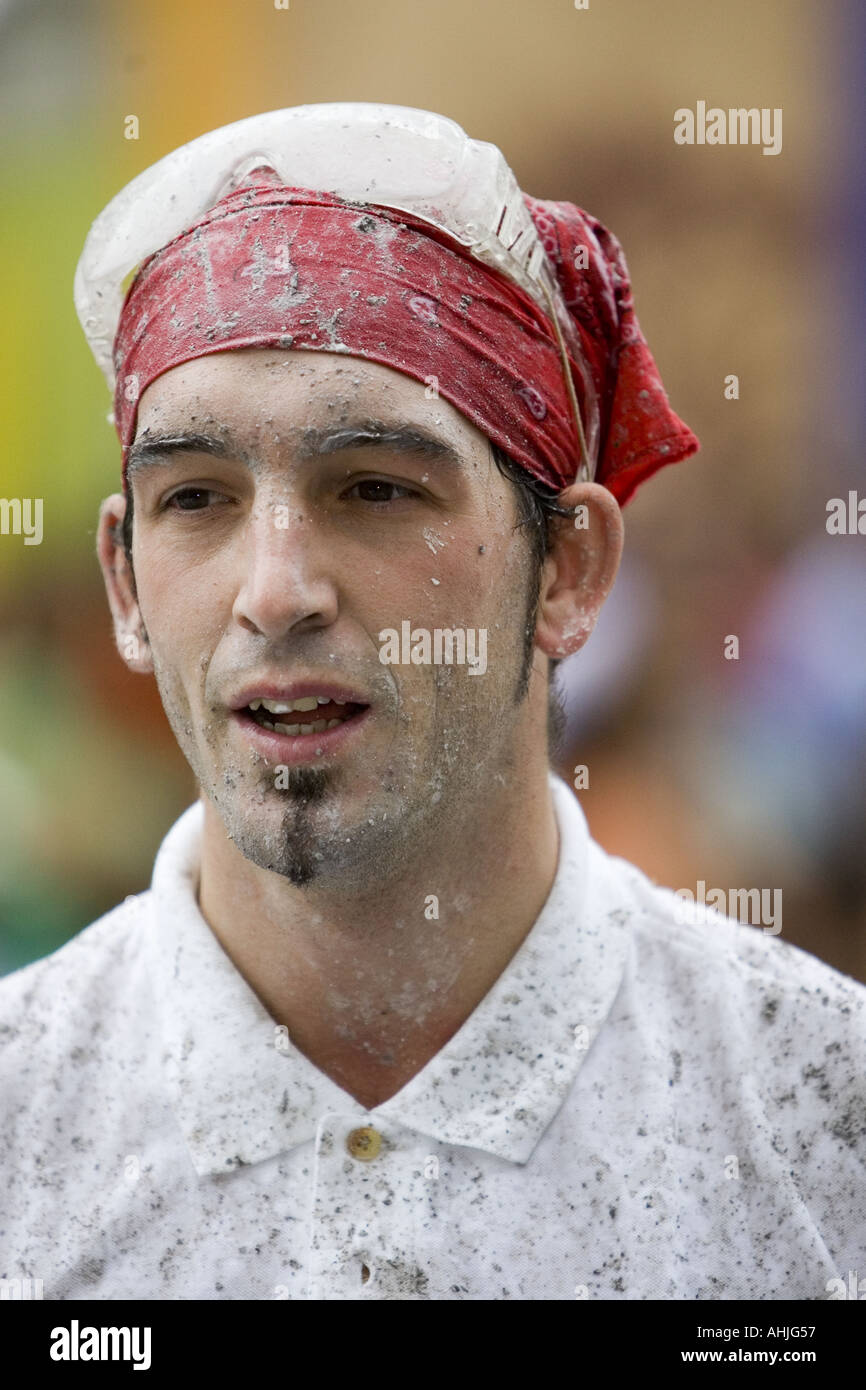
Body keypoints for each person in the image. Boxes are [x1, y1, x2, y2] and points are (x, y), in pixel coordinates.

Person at [1, 104, 863, 1302]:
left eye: (373, 488)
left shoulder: (817, 1122)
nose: (276, 591)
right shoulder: (22, 1129)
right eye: (196, 498)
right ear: (123, 581)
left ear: (567, 568)